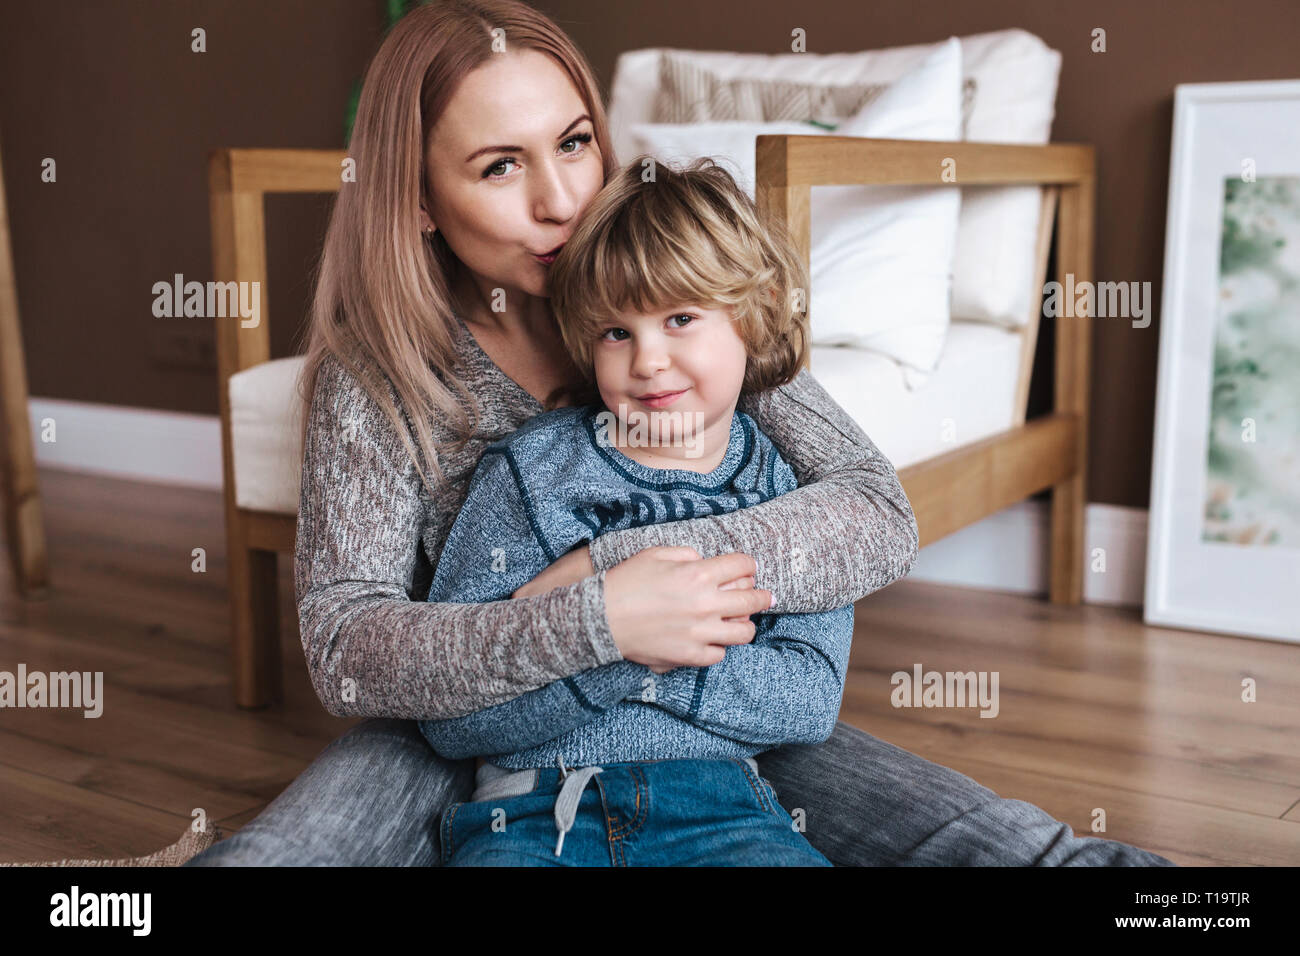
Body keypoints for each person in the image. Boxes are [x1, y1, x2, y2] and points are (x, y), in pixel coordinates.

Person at [186, 0, 1175, 867]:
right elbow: (349, 649)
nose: (562, 200)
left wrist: (616, 574)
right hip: (464, 727)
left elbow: (874, 512)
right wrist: (595, 621)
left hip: (705, 720)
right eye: (500, 166)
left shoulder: (683, 312)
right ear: (417, 200)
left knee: (1016, 847)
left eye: (574, 143)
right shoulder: (379, 374)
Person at [419, 157, 851, 865]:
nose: (648, 361)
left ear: (753, 311)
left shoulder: (789, 494)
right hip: (532, 813)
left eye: (680, 318)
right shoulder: (531, 477)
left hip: (727, 813)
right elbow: (455, 717)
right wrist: (617, 639)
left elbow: (807, 700)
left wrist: (644, 655)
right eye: (616, 332)